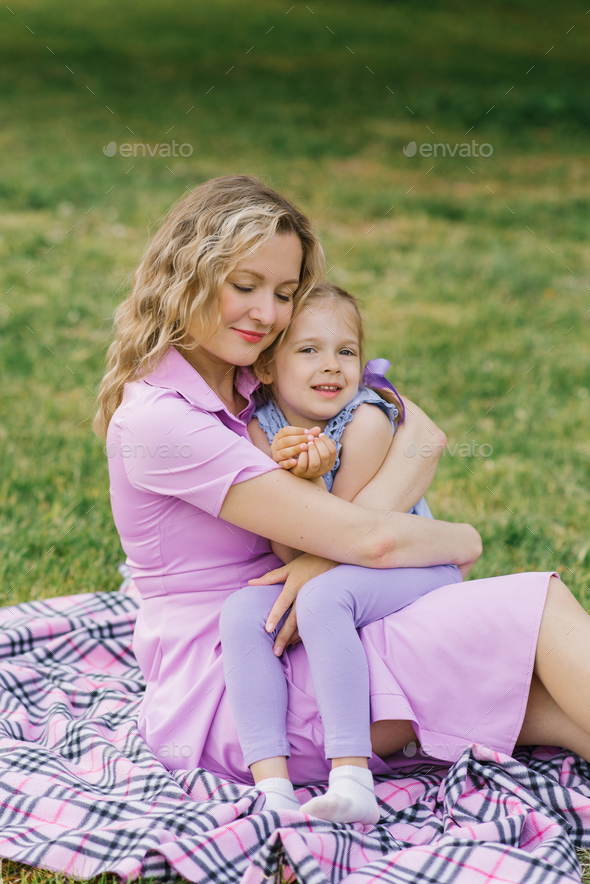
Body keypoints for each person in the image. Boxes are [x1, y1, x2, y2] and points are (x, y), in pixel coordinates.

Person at [95, 174, 590, 825]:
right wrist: (460, 540)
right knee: (535, 605)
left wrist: (327, 557)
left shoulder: (253, 375)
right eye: (244, 286)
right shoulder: (164, 421)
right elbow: (373, 538)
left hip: (312, 622)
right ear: (184, 275)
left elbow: (418, 432)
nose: (266, 314)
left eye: (282, 293)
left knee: (533, 691)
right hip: (239, 685)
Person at [219, 280, 462, 823]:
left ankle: (352, 780)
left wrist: (304, 481)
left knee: (324, 598)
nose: (331, 366)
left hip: (407, 562)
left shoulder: (367, 421)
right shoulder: (262, 427)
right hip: (329, 566)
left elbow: (348, 537)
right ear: (264, 368)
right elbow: (289, 544)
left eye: (345, 351)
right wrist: (291, 475)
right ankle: (272, 788)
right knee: (240, 613)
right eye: (308, 350)